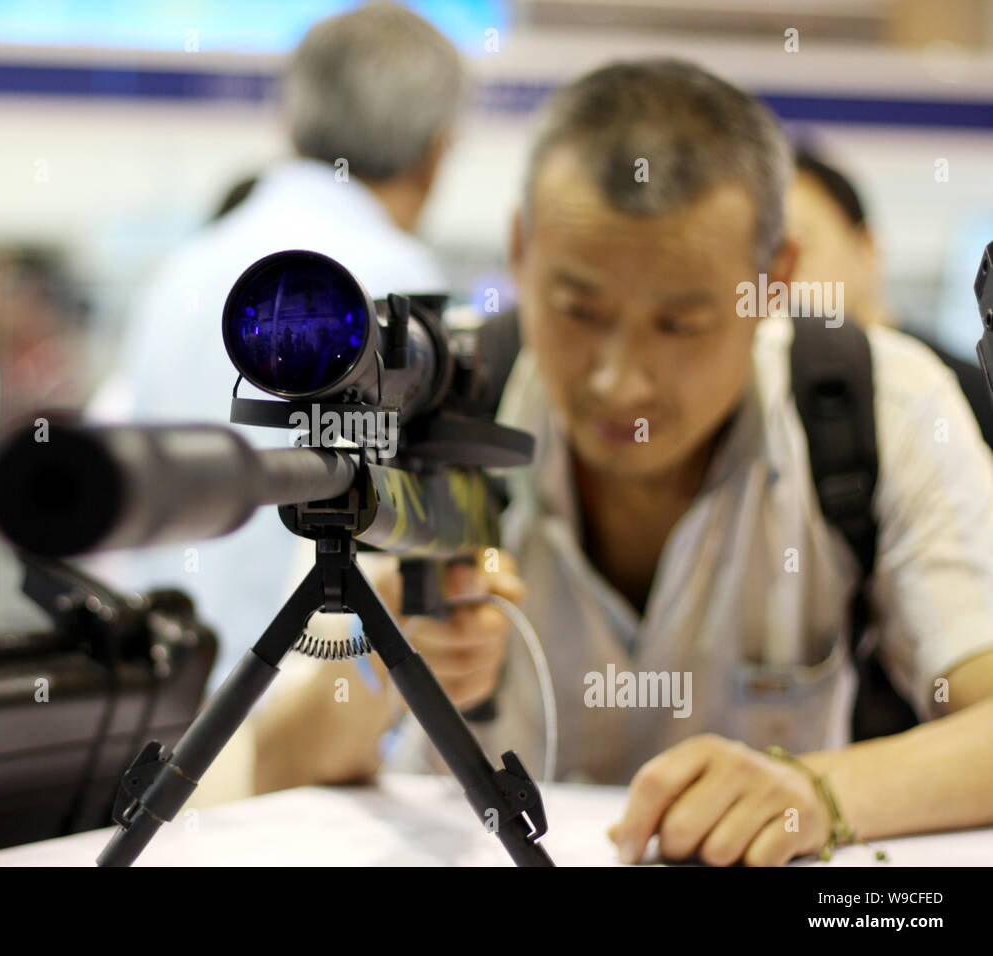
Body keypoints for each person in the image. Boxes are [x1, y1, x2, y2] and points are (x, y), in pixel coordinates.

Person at [251, 59, 993, 865]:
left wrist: (820, 791)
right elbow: (279, 764)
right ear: (521, 252)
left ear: (771, 280)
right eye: (579, 310)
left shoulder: (876, 404)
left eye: (680, 323)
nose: (618, 379)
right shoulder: (421, 397)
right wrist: (379, 663)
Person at [86, 2, 466, 687]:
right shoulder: (402, 285)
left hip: (169, 691)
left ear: (290, 124)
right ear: (438, 149)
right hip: (318, 719)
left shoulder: (181, 270)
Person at [787, 147, 993, 446]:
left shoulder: (966, 392)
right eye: (767, 256)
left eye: (801, 245)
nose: (782, 274)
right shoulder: (778, 398)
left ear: (867, 248)